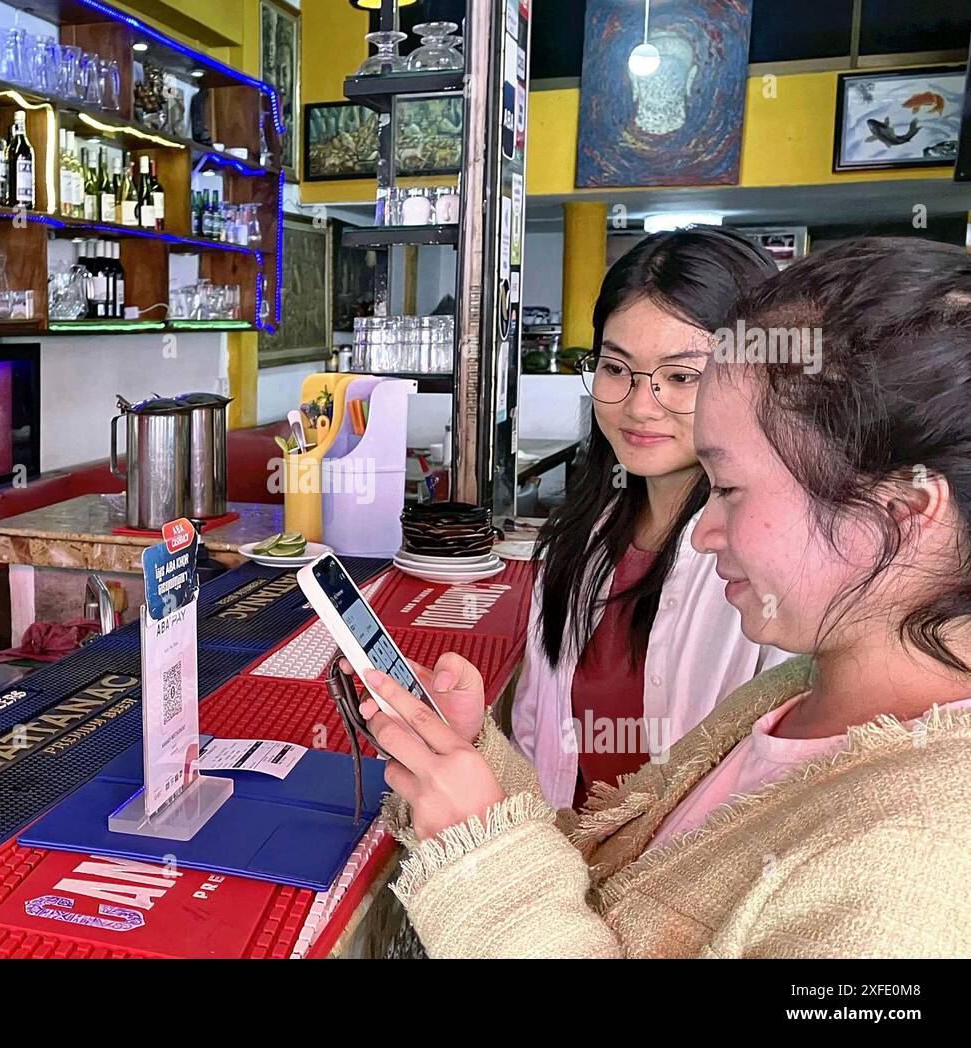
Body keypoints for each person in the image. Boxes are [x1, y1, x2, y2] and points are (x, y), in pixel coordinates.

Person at [356, 237, 971, 957]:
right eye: (616, 368)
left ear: (902, 512)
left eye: (731, 486)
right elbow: (625, 858)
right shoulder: (794, 693)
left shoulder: (918, 870)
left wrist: (483, 859)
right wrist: (479, 766)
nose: (707, 530)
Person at [514, 227, 788, 809]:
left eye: (682, 377)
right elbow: (535, 732)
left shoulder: (776, 568)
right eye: (616, 368)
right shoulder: (578, 539)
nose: (640, 406)